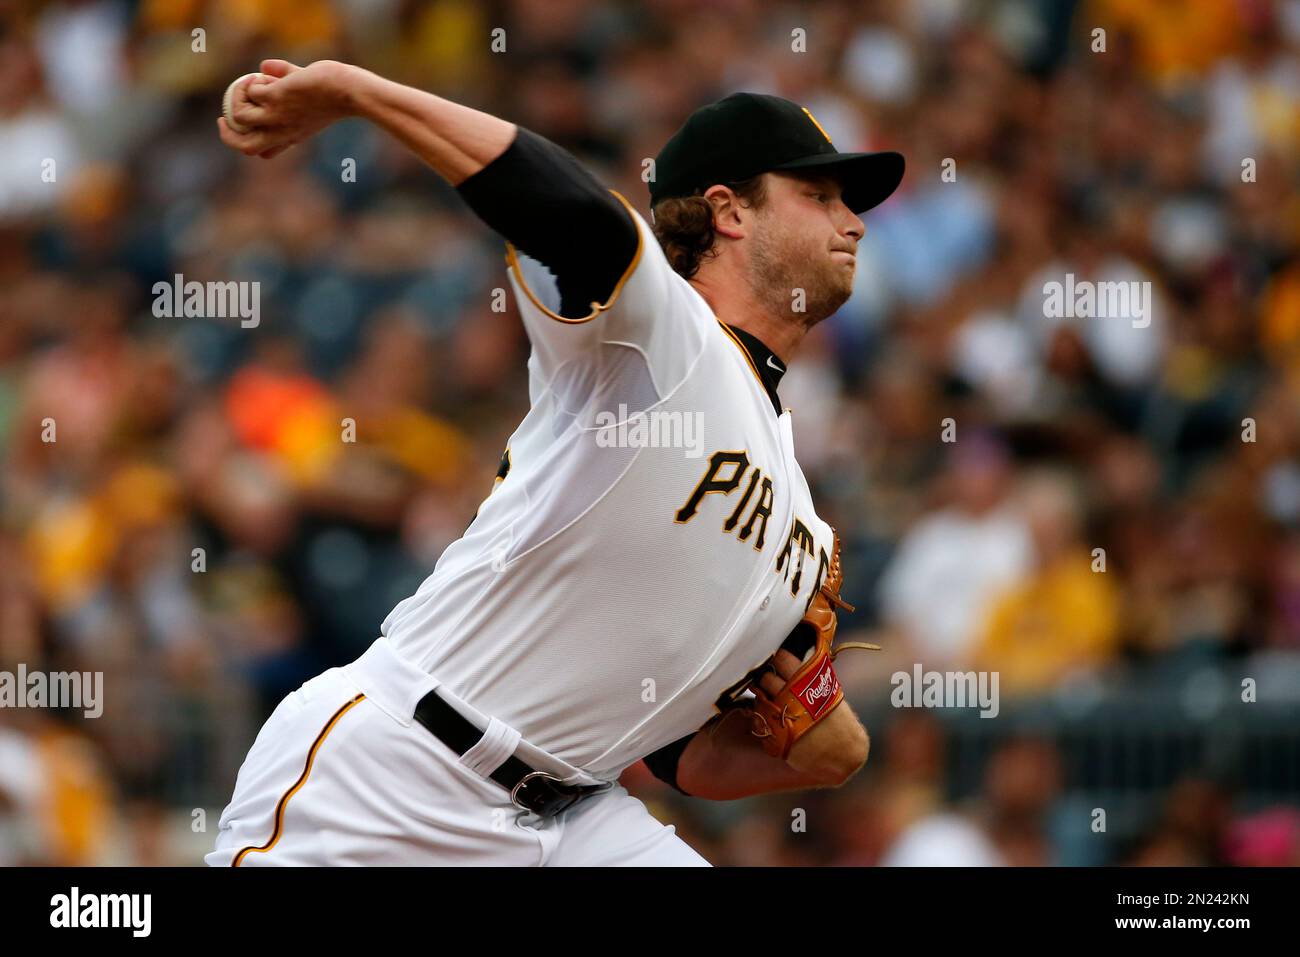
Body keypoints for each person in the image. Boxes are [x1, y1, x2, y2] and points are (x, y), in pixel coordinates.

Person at [206, 58, 904, 866]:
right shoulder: (660, 338)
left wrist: (822, 749)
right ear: (728, 211)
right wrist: (357, 92)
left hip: (578, 816)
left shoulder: (804, 529)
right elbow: (569, 213)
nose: (852, 222)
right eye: (819, 195)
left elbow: (683, 756)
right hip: (400, 771)